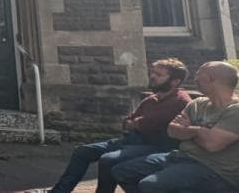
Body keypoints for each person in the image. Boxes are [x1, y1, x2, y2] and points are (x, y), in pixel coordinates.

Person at [46, 59, 191, 193]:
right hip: (132, 140)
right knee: (82, 151)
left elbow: (149, 125)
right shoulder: (152, 99)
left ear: (175, 81)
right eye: (152, 72)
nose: (152, 76)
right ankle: (60, 191)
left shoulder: (179, 101)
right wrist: (136, 123)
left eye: (158, 74)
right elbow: (128, 122)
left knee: (108, 159)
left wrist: (137, 123)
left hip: (156, 145)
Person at [113, 61, 239, 192]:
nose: (195, 79)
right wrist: (201, 132)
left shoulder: (235, 110)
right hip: (181, 157)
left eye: (199, 75)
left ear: (213, 79)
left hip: (213, 169)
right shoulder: (197, 103)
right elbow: (172, 130)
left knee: (150, 185)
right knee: (122, 172)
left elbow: (212, 144)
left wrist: (188, 129)